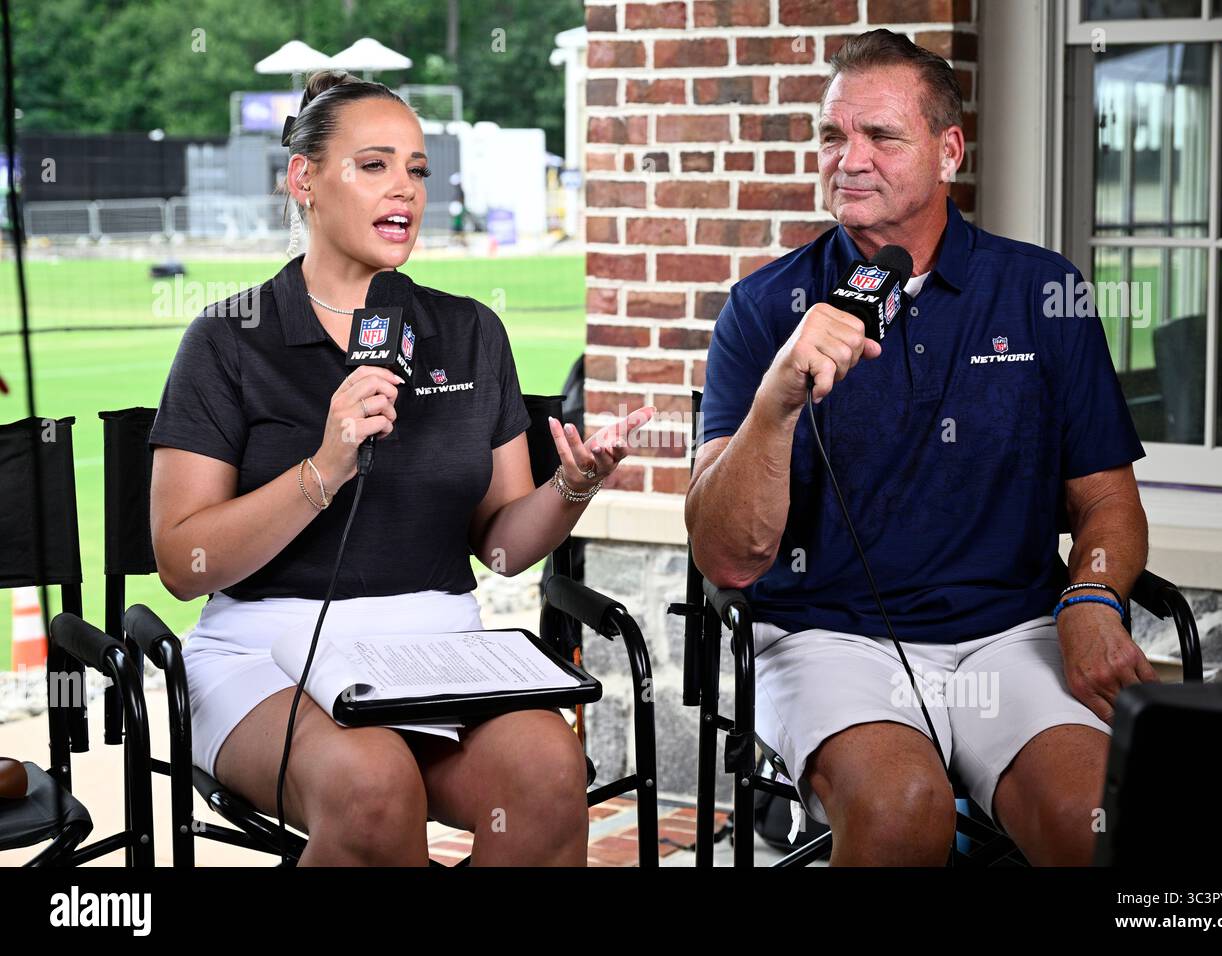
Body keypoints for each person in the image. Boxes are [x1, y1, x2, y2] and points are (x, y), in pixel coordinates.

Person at [149, 70, 653, 866]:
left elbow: (501, 549)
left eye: (417, 169)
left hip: (436, 648)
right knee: (372, 786)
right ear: (303, 180)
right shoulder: (226, 339)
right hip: (265, 654)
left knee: (550, 773)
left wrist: (571, 488)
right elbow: (182, 562)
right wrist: (325, 464)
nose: (405, 190)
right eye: (374, 165)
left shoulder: (470, 330)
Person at [687, 30, 1158, 866]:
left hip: (1012, 633)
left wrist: (1092, 599)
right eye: (833, 136)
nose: (848, 158)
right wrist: (778, 395)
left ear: (948, 152)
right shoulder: (762, 308)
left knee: (1096, 818)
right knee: (905, 810)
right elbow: (725, 559)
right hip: (826, 638)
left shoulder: (1042, 291)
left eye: (881, 135)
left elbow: (1106, 499)